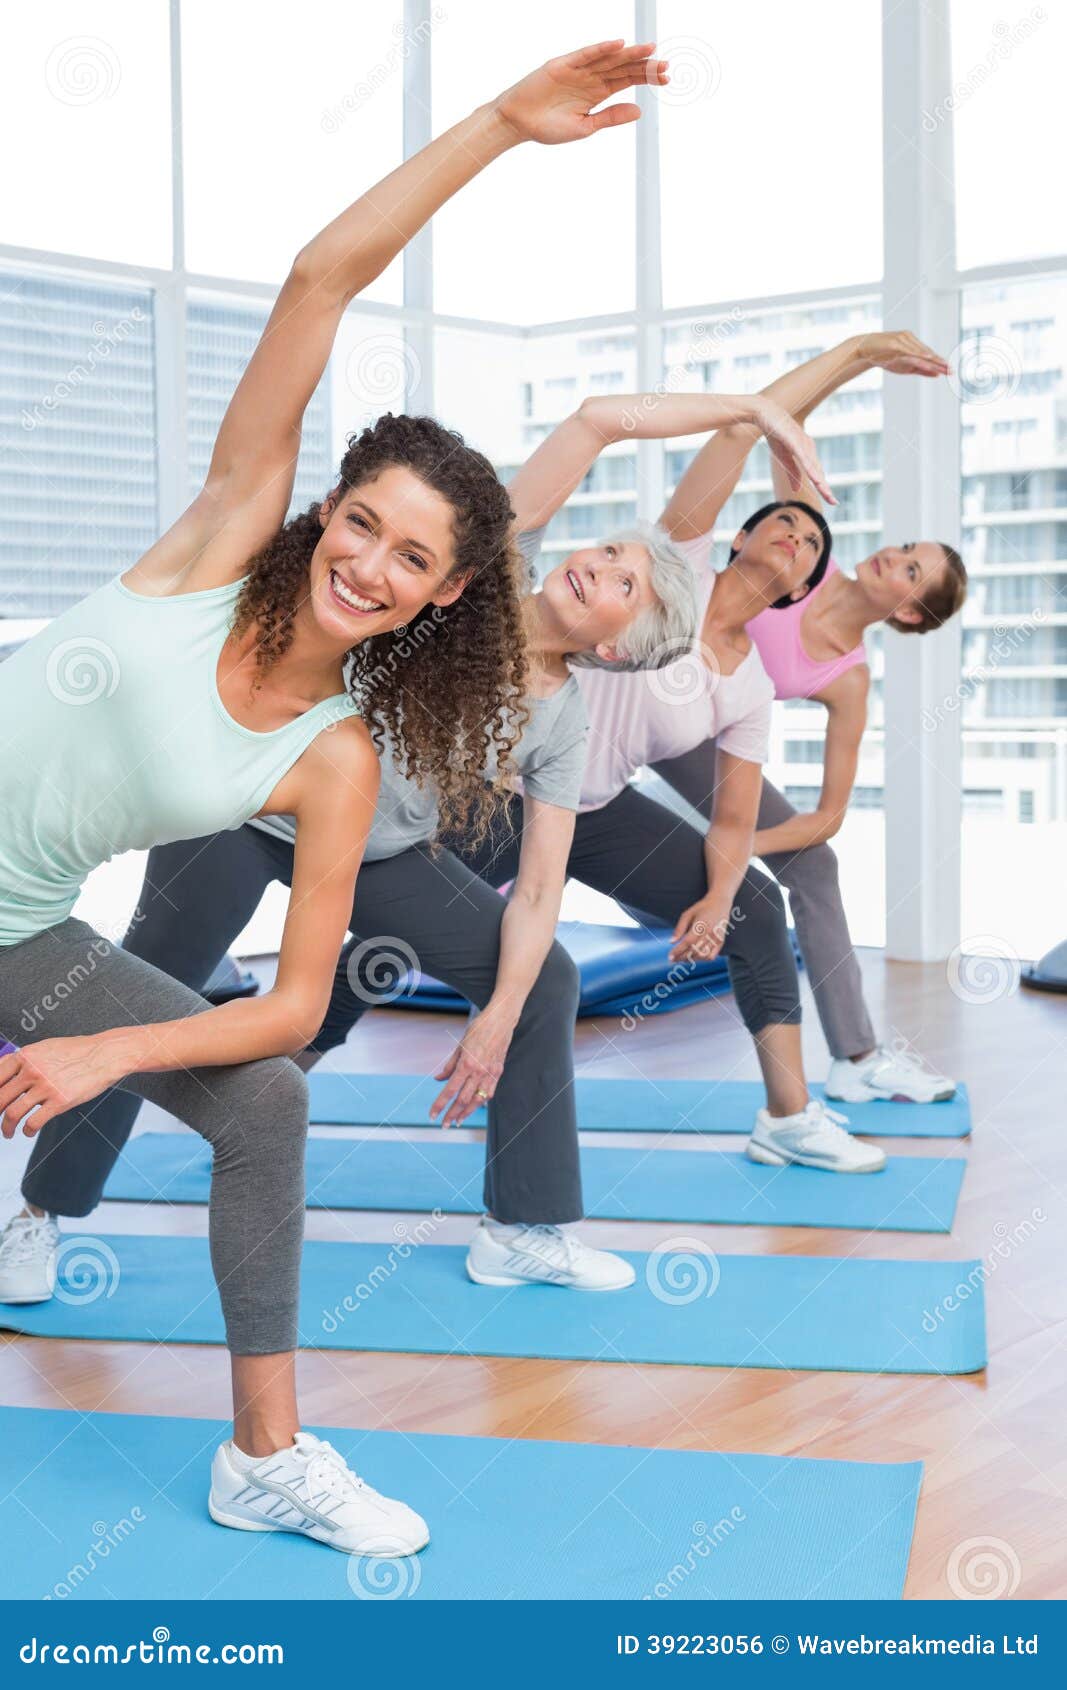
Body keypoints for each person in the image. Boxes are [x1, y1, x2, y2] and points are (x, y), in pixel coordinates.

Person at [0, 38, 670, 1561]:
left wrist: (116, 1041)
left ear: (440, 598)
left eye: (409, 558)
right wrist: (501, 122)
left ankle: (266, 1451)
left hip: (17, 929)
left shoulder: (336, 759)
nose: (365, 560)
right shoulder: (225, 541)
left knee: (270, 1100)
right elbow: (318, 280)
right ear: (324, 507)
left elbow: (296, 1006)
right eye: (359, 520)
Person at [3, 385, 828, 1298]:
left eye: (625, 582)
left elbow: (543, 891)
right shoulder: (464, 585)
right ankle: (39, 1215)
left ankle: (521, 1227)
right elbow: (596, 420)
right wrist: (756, 407)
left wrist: (496, 1021)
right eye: (605, 550)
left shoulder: (562, 730)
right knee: (153, 988)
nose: (598, 566)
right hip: (242, 808)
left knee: (542, 978)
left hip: (378, 851)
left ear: (620, 650)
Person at [299, 394, 887, 1174]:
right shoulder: (671, 563)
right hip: (494, 799)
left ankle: (788, 1115)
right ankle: (270, 1080)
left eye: (811, 541)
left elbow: (733, 819)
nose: (793, 536)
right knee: (380, 949)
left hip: (596, 808)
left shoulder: (747, 689)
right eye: (782, 521)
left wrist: (716, 900)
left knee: (753, 902)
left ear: (807, 582)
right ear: (740, 535)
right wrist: (772, 408)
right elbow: (724, 436)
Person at [650, 331, 968, 1104]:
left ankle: (854, 1058)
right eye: (902, 547)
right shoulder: (801, 551)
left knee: (814, 867)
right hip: (639, 680)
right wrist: (860, 354)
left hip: (699, 733)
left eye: (910, 568)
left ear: (910, 613)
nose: (892, 556)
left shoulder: (845, 680)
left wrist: (737, 844)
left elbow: (827, 817)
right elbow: (775, 422)